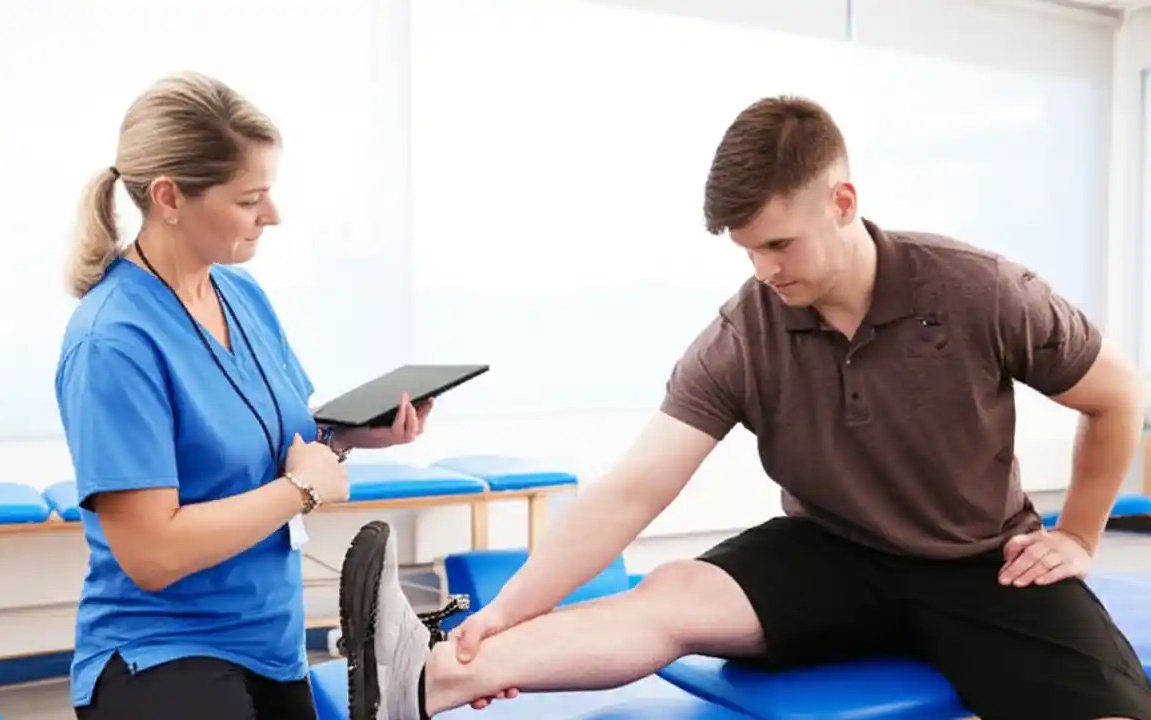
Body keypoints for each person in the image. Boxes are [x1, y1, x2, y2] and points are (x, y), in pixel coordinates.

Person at [337, 95, 1151, 720]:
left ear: (842, 200)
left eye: (777, 244)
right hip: (832, 552)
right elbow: (636, 488)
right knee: (670, 596)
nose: (764, 270)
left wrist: (1077, 534)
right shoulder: (747, 329)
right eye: (746, 249)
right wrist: (507, 612)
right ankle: (425, 680)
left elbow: (1114, 396)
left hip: (981, 563)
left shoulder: (977, 290)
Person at [55, 71, 434, 720]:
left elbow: (274, 443)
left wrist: (345, 436)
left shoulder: (240, 295)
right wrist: (302, 492)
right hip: (162, 652)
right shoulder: (113, 340)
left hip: (269, 640)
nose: (273, 215)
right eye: (249, 198)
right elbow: (152, 553)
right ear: (170, 197)